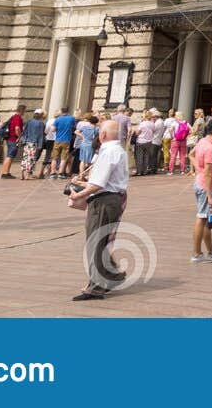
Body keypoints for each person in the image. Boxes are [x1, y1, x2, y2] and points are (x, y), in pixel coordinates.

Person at [66, 118, 129, 301]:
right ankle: (112, 276)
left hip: (104, 201)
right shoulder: (119, 150)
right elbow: (105, 180)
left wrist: (78, 195)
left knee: (95, 242)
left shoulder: (108, 152)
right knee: (101, 241)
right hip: (112, 198)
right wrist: (84, 183)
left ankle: (97, 287)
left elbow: (98, 184)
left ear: (102, 134)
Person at [191, 116, 212, 262]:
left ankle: (210, 250)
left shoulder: (202, 142)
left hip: (199, 183)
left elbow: (191, 155)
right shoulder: (211, 148)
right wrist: (209, 195)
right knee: (201, 218)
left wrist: (197, 169)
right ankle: (196, 254)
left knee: (206, 218)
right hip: (206, 186)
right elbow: (208, 174)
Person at [0, 105, 25, 178]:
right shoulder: (18, 118)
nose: (24, 113)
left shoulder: (13, 117)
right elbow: (17, 128)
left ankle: (5, 172)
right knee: (10, 156)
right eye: (24, 111)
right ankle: (5, 173)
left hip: (10, 139)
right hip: (13, 139)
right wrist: (20, 137)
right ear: (22, 111)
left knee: (9, 156)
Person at [20, 108, 46, 180]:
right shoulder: (41, 124)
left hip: (27, 143)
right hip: (34, 143)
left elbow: (25, 132)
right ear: (40, 115)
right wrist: (40, 145)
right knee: (31, 159)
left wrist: (24, 140)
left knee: (25, 158)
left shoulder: (29, 121)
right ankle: (27, 175)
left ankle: (22, 174)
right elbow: (41, 135)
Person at [52, 106, 77, 178]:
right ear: (68, 111)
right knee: (64, 158)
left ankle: (53, 173)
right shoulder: (71, 118)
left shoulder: (58, 119)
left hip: (58, 140)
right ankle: (60, 173)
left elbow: (53, 130)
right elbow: (74, 127)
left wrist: (59, 129)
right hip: (66, 140)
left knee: (54, 157)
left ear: (61, 111)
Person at [134, 111, 157, 176]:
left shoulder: (142, 123)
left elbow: (137, 133)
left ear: (145, 116)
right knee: (146, 156)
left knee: (139, 157)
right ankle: (144, 171)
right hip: (149, 141)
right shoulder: (152, 124)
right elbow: (154, 131)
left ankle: (139, 171)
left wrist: (135, 132)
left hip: (140, 141)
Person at [170, 112, 191, 176]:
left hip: (175, 141)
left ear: (176, 116)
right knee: (182, 156)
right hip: (183, 141)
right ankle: (182, 171)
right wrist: (187, 136)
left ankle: (171, 171)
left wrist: (172, 136)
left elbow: (170, 130)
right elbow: (191, 130)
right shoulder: (186, 123)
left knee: (173, 155)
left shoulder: (174, 123)